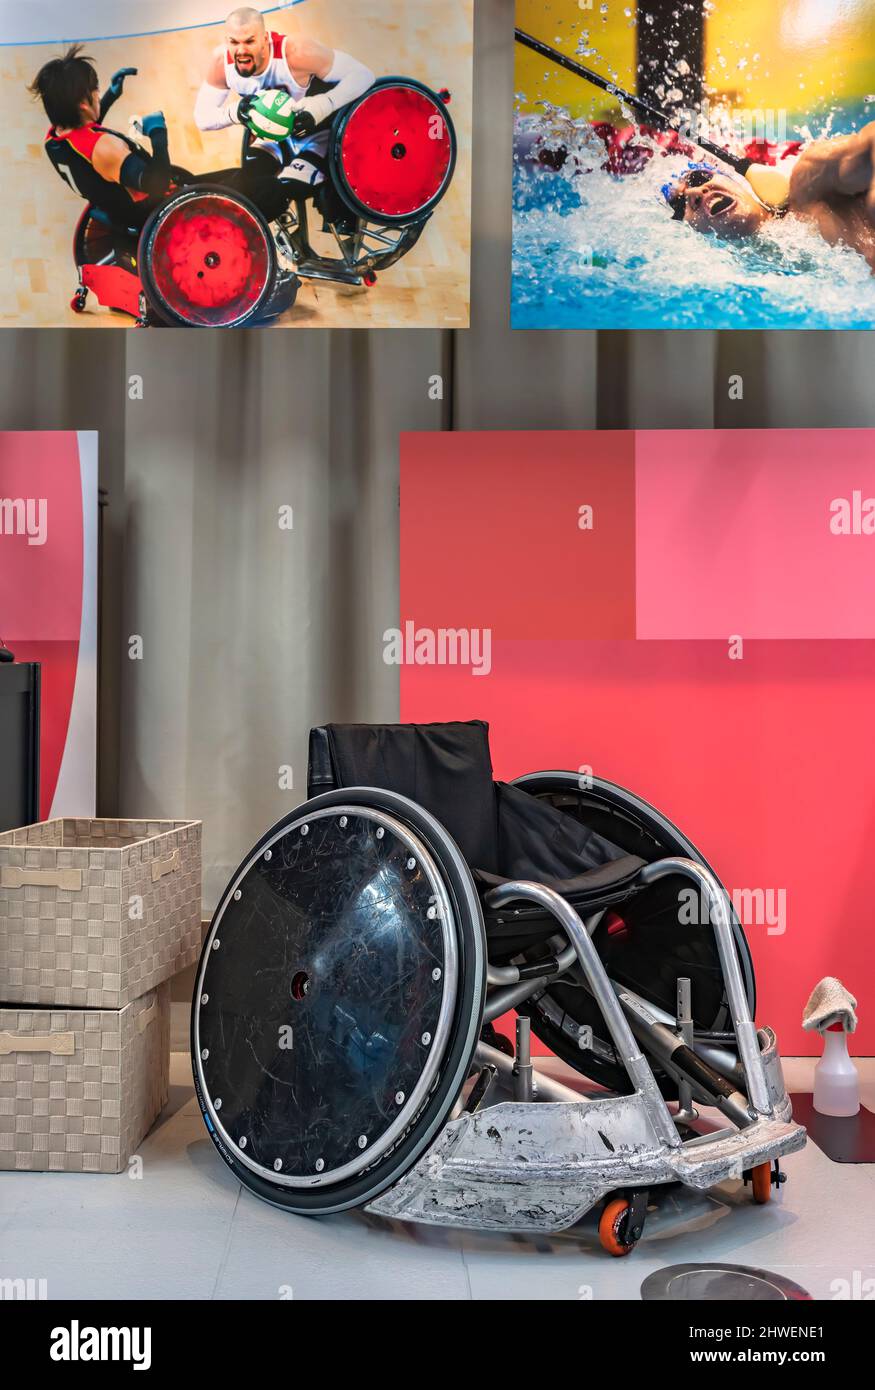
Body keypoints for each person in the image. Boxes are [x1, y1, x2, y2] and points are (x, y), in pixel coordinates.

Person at [30, 44, 292, 232]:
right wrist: (158, 132)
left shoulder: (56, 139)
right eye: (95, 92)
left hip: (138, 210)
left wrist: (111, 94)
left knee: (240, 175)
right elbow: (156, 183)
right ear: (83, 104)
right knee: (270, 190)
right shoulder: (105, 149)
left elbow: (85, 136)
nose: (98, 95)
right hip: (171, 211)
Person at [195, 6, 374, 206]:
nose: (241, 50)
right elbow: (202, 119)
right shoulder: (222, 63)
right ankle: (192, 195)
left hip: (319, 137)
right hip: (273, 140)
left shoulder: (297, 52)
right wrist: (233, 112)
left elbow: (362, 75)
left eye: (250, 41)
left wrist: (323, 104)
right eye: (234, 42)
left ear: (265, 39)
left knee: (278, 190)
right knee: (245, 185)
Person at [664, 126, 875, 271]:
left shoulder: (809, 187)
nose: (694, 193)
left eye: (699, 177)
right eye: (680, 206)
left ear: (739, 181)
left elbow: (867, 143)